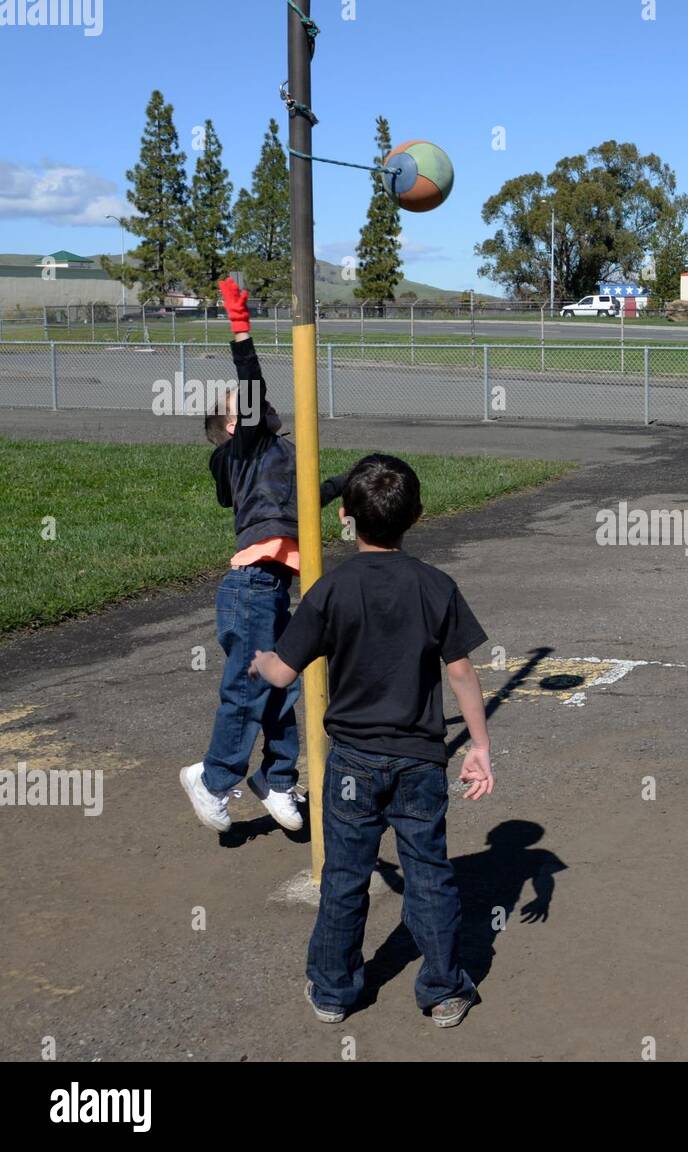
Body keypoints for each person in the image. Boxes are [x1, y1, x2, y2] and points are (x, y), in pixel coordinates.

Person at [249, 454, 495, 1027]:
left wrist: (261, 661)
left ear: (344, 517)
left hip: (354, 763)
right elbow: (460, 673)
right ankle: (442, 991)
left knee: (344, 877)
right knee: (429, 874)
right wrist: (479, 745)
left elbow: (283, 673)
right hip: (419, 762)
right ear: (418, 516)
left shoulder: (330, 589)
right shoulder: (436, 586)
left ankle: (335, 991)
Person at [180, 277, 348, 833]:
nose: (263, 407)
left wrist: (355, 480)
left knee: (283, 682)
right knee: (251, 686)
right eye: (246, 411)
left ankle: (276, 780)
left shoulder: (279, 455)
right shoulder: (242, 453)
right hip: (250, 585)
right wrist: (241, 330)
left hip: (275, 587)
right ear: (233, 427)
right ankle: (213, 777)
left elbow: (308, 499)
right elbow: (250, 385)